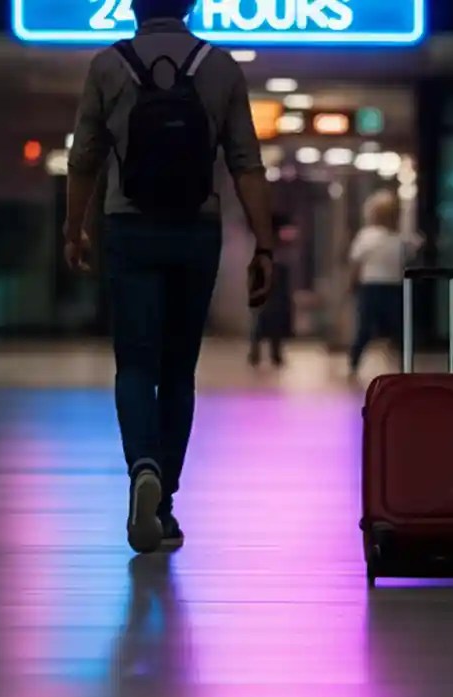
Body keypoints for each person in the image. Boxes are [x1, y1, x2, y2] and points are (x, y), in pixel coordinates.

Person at [63, 0, 276, 554]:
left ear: (134, 7)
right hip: (195, 231)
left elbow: (83, 157)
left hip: (129, 229)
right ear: (190, 6)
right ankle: (165, 506)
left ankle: (143, 468)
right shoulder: (220, 65)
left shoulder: (108, 65)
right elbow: (245, 162)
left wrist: (73, 228)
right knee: (179, 372)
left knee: (135, 365)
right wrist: (265, 244)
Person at [347, 190, 423, 376]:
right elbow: (415, 250)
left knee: (365, 328)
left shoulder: (367, 236)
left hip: (371, 286)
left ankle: (354, 363)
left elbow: (356, 264)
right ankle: (405, 364)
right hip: (392, 286)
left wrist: (351, 284)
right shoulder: (401, 239)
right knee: (399, 328)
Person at [248, 215, 297, 368]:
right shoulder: (272, 247)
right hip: (270, 281)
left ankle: (266, 352)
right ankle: (263, 352)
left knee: (271, 317)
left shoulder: (274, 246)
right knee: (267, 316)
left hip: (272, 283)